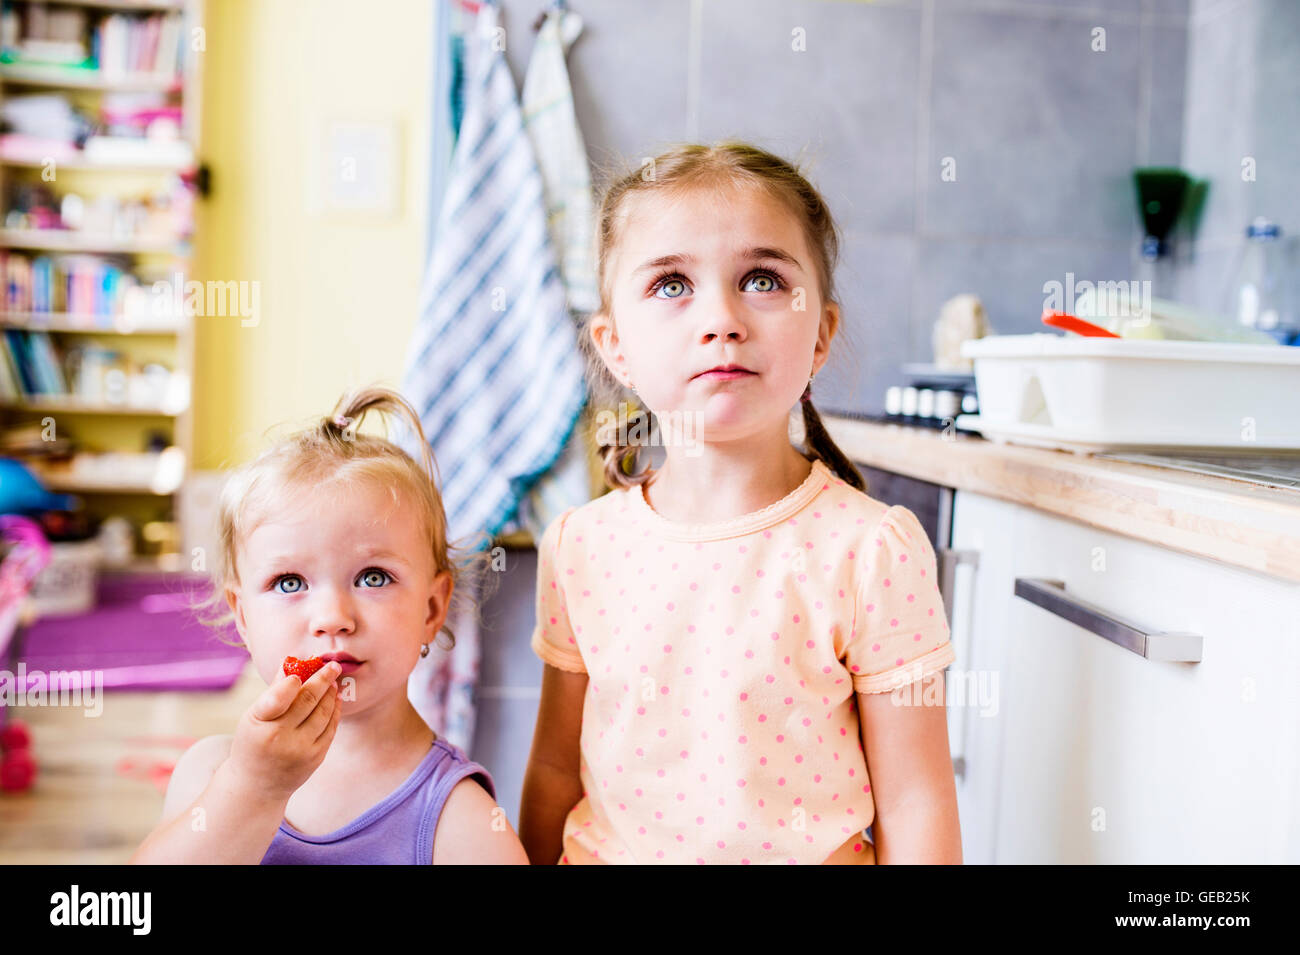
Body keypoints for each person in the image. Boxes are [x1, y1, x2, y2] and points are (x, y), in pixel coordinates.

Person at [520, 141, 960, 865]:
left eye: (761, 278)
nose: (721, 318)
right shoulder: (580, 547)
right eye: (670, 284)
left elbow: (917, 798)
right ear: (614, 344)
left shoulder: (871, 550)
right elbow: (554, 771)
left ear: (820, 333)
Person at [131, 385, 527, 864]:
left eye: (373, 577)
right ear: (243, 616)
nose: (333, 617)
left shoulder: (463, 825)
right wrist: (253, 789)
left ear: (431, 609)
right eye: (289, 581)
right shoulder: (209, 775)